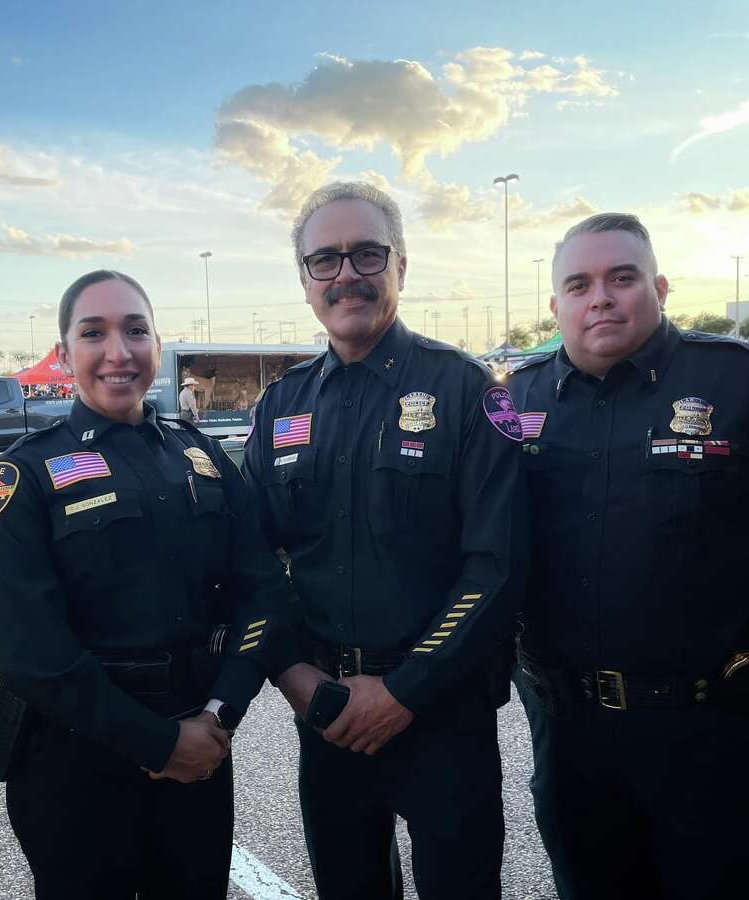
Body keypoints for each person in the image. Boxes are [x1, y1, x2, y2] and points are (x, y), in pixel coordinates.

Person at [505, 213, 749, 900]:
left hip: (717, 729)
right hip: (572, 732)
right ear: (555, 305)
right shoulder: (514, 399)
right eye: (579, 285)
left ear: (660, 288)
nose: (601, 299)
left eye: (622, 278)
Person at [0, 270, 297, 899]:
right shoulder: (25, 474)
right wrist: (158, 744)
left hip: (200, 750)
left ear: (157, 344)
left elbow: (264, 593)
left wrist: (220, 715)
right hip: (77, 766)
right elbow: (27, 653)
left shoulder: (201, 457)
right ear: (64, 353)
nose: (118, 352)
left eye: (135, 330)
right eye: (93, 333)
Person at [245, 181, 526, 899]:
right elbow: (250, 561)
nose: (346, 274)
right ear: (305, 280)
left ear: (401, 263)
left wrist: (406, 690)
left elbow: (497, 565)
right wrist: (294, 677)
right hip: (327, 715)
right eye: (325, 259)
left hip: (442, 713)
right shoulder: (281, 405)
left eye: (367, 254)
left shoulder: (467, 390)